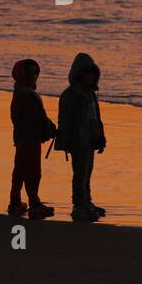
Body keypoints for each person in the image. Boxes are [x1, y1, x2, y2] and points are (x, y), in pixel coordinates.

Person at [56, 52, 107, 221]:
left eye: (92, 73)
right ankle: (79, 205)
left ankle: (87, 202)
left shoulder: (91, 93)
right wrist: (65, 140)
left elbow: (96, 118)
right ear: (79, 74)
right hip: (77, 140)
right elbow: (64, 119)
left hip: (90, 139)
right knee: (79, 174)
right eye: (87, 73)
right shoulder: (71, 94)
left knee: (87, 173)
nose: (90, 77)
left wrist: (101, 138)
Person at [8, 59, 57, 219]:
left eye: (36, 73)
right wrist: (49, 129)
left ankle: (15, 202)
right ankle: (34, 204)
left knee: (21, 170)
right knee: (33, 172)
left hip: (23, 138)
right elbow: (37, 118)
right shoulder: (26, 95)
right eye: (31, 73)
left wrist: (48, 127)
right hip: (29, 139)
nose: (34, 76)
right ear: (23, 75)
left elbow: (36, 118)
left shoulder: (21, 93)